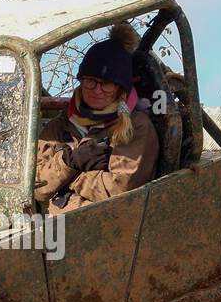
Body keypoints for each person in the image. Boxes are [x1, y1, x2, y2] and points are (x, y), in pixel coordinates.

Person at [34, 35, 158, 214]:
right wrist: (69, 162)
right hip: (55, 226)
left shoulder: (135, 126)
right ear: (81, 81)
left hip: (103, 225)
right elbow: (38, 187)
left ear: (120, 88)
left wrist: (72, 178)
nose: (97, 90)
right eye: (91, 81)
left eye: (107, 84)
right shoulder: (60, 125)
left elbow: (119, 190)